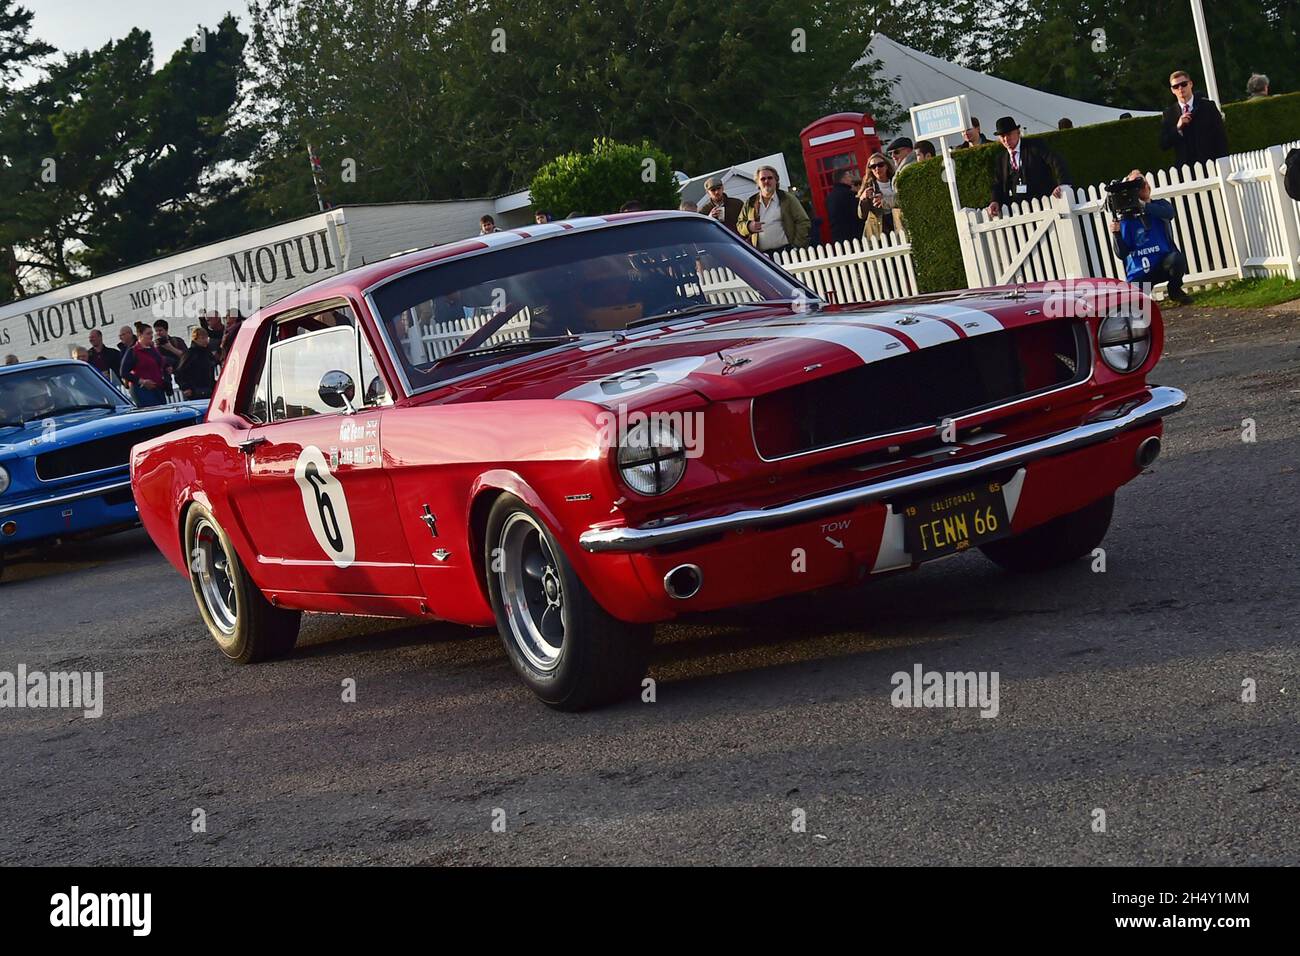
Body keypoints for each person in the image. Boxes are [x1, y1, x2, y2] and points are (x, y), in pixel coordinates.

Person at [1110, 169, 1190, 305]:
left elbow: (1169, 213)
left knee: (1178, 259)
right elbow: (1122, 254)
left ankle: (1175, 291)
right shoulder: (1126, 219)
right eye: (1138, 184)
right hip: (1141, 274)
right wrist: (1116, 233)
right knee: (1138, 307)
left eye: (1144, 181)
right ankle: (1144, 298)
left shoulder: (1160, 205)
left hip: (1163, 265)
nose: (1144, 185)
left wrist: (1143, 205)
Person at [986, 116, 1071, 218]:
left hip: (1044, 205)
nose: (1006, 139)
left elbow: (1056, 161)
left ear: (1018, 132)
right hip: (1017, 212)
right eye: (1002, 136)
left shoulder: (1035, 146)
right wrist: (994, 201)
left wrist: (1062, 185)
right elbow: (998, 184)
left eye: (1008, 134)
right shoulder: (1001, 159)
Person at [1159, 71, 1228, 167]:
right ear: (1172, 90)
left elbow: (1220, 137)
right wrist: (1178, 127)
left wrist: (1223, 162)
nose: (1180, 88)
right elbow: (1164, 143)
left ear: (1190, 84)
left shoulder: (1208, 106)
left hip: (1211, 163)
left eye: (1183, 84)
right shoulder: (1169, 114)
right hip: (1185, 169)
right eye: (1176, 86)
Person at [737, 165, 811, 255]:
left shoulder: (787, 198)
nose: (766, 181)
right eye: (762, 179)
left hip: (788, 251)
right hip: (763, 255)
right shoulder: (750, 202)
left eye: (770, 178)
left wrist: (796, 246)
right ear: (757, 183)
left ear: (776, 180)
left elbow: (803, 221)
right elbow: (739, 224)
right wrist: (748, 226)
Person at [857, 152, 902, 239]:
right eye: (873, 167)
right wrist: (863, 200)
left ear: (887, 166)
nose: (877, 168)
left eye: (880, 165)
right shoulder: (869, 187)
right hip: (880, 231)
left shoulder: (896, 181)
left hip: (900, 224)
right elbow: (862, 215)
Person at [120, 326, 168, 406]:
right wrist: (142, 381)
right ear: (140, 335)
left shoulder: (153, 349)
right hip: (142, 389)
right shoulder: (133, 351)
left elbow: (160, 365)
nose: (151, 336)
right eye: (148, 334)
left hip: (158, 388)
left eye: (152, 333)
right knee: (152, 413)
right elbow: (123, 372)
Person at [175, 327, 216, 400]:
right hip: (195, 391)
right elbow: (179, 372)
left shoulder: (207, 353)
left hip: (209, 389)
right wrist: (185, 387)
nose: (205, 341)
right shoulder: (190, 354)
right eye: (202, 338)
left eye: (206, 338)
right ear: (195, 339)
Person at [825, 167, 861, 244]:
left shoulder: (830, 197)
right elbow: (858, 214)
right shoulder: (850, 194)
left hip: (838, 236)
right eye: (849, 176)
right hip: (853, 234)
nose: (851, 179)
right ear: (843, 179)